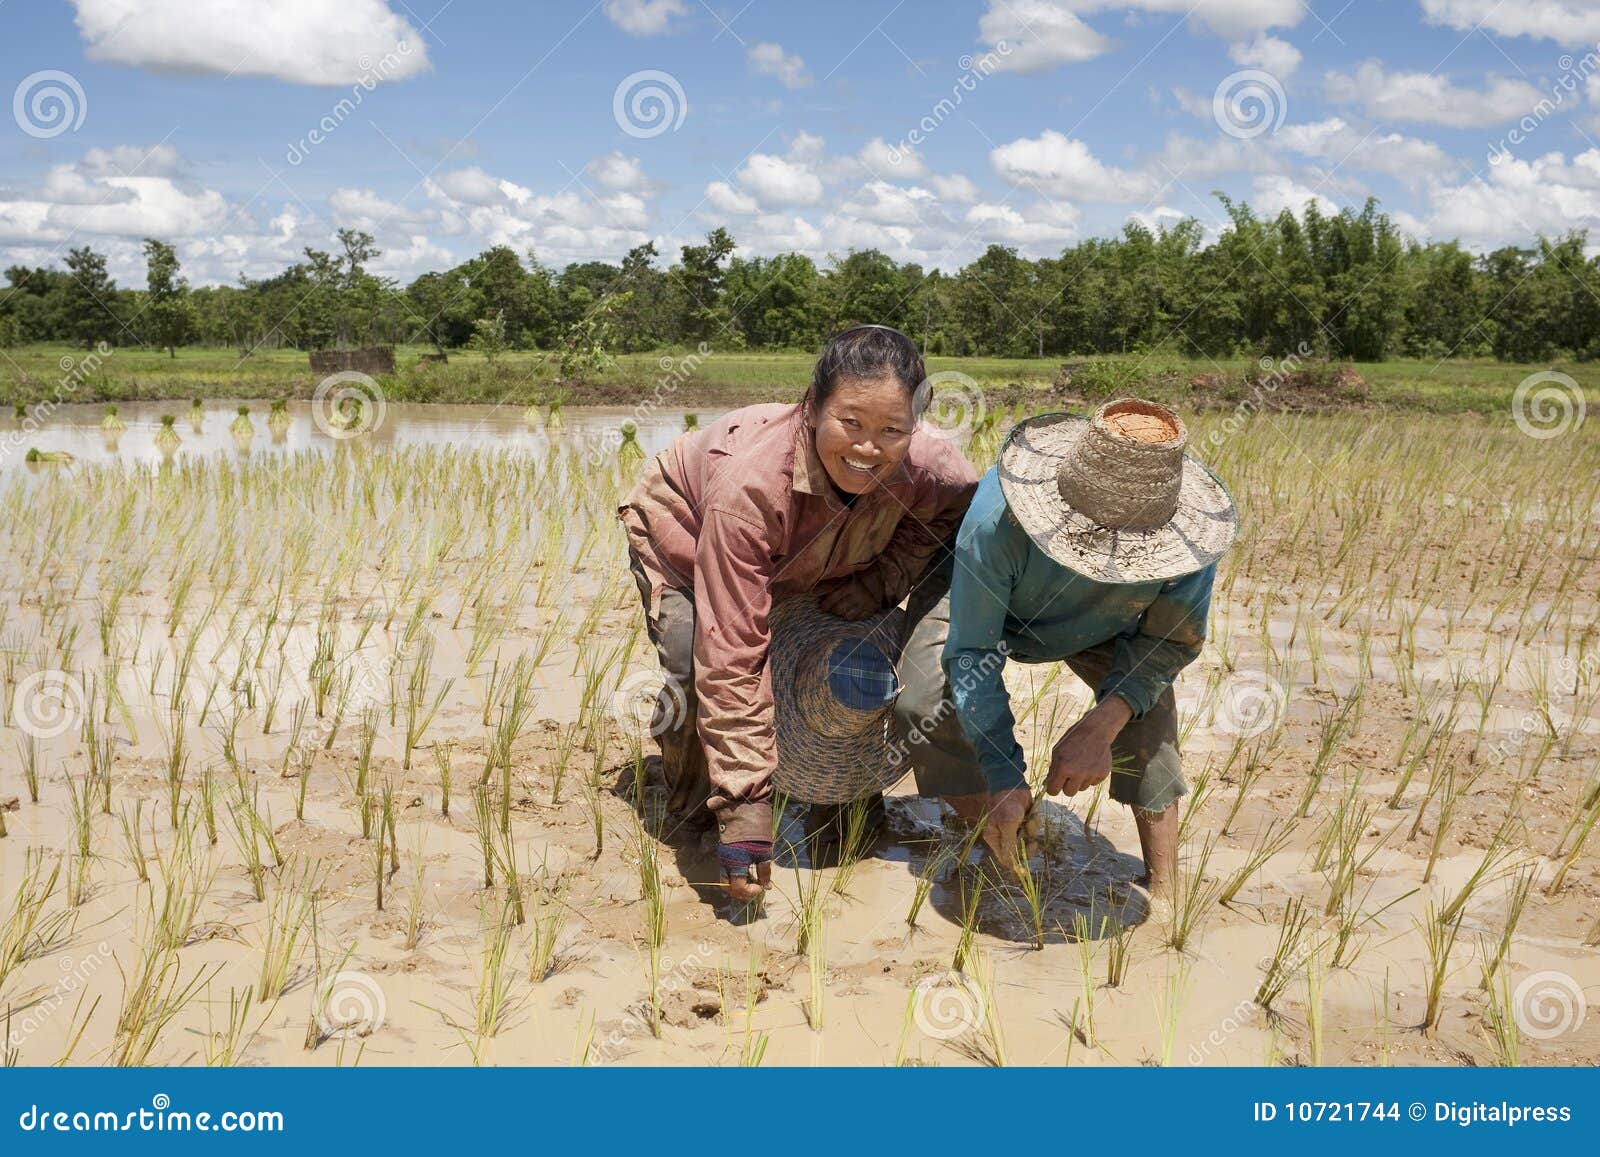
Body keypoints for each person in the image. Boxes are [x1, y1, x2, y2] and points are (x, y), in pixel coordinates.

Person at [618, 325, 978, 907]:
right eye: (850, 424)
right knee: (694, 659)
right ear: (812, 408)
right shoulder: (750, 488)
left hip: (824, 551)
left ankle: (844, 800)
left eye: (892, 431)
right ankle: (693, 792)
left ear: (915, 426)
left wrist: (881, 581)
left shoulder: (934, 468)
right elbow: (732, 651)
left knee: (843, 661)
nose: (868, 448)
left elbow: (948, 517)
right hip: (688, 537)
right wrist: (744, 810)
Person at [893, 397, 1237, 895]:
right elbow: (971, 654)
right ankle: (999, 832)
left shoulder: (1187, 544)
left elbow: (1167, 643)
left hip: (1104, 620)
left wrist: (1102, 726)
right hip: (982, 600)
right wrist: (1002, 771)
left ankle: (1166, 887)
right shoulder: (997, 522)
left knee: (1148, 714)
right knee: (922, 702)